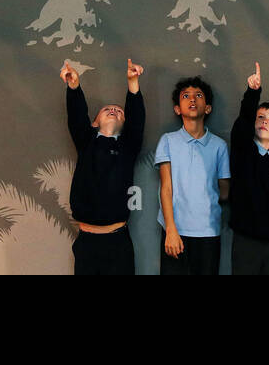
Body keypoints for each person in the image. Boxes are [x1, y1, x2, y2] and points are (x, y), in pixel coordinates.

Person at [60, 57, 145, 275]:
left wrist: (133, 83)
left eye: (119, 111)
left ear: (124, 124)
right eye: (107, 109)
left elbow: (137, 120)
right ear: (94, 122)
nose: (114, 111)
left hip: (118, 241)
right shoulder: (86, 141)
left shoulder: (128, 146)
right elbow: (77, 116)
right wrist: (74, 86)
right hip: (87, 242)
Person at [155, 75, 230, 275]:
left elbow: (224, 191)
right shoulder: (168, 141)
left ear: (208, 108)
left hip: (209, 232)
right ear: (177, 109)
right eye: (185, 96)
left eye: (198, 95)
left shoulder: (219, 146)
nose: (192, 99)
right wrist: (170, 230)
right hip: (175, 232)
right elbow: (166, 188)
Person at [229, 62, 269, 275]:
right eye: (260, 117)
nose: (265, 121)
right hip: (247, 240)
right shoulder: (243, 149)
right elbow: (244, 120)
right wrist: (253, 92)